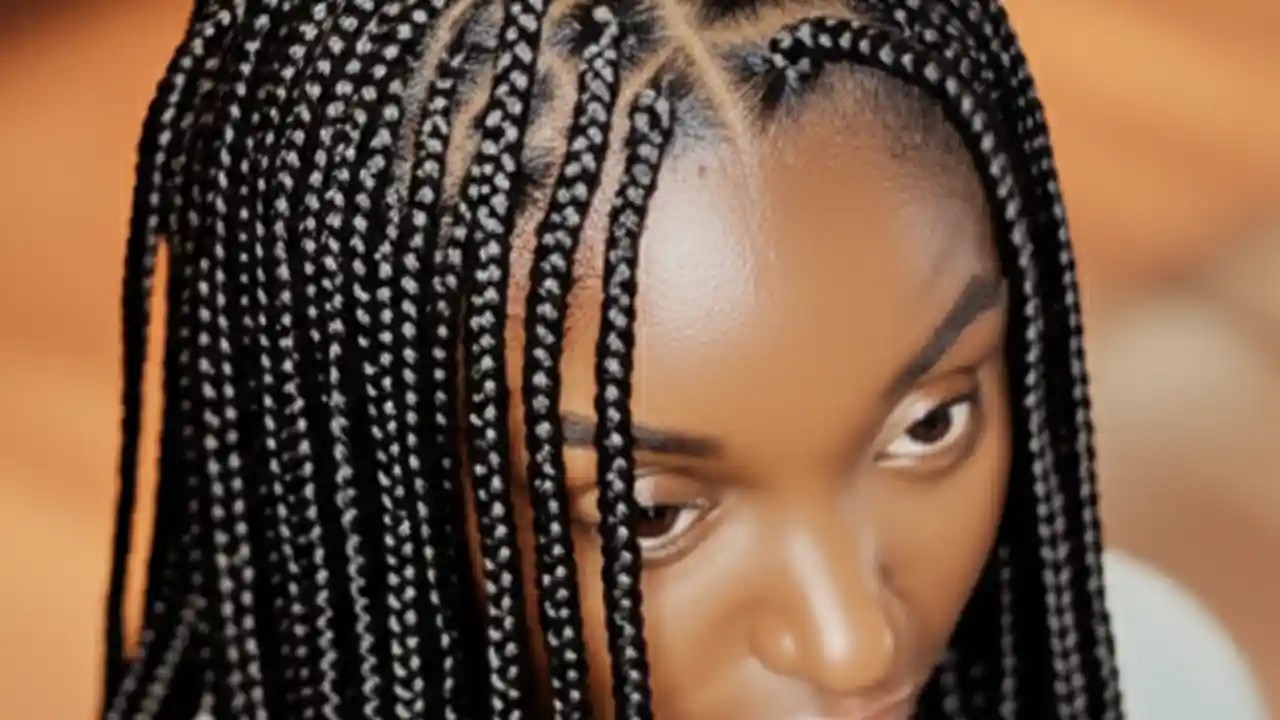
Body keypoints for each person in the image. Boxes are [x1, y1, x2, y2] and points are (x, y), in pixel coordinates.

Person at [102, 0, 1124, 717]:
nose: (850, 638)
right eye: (647, 513)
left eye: (929, 423)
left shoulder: (1154, 679)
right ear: (360, 485)